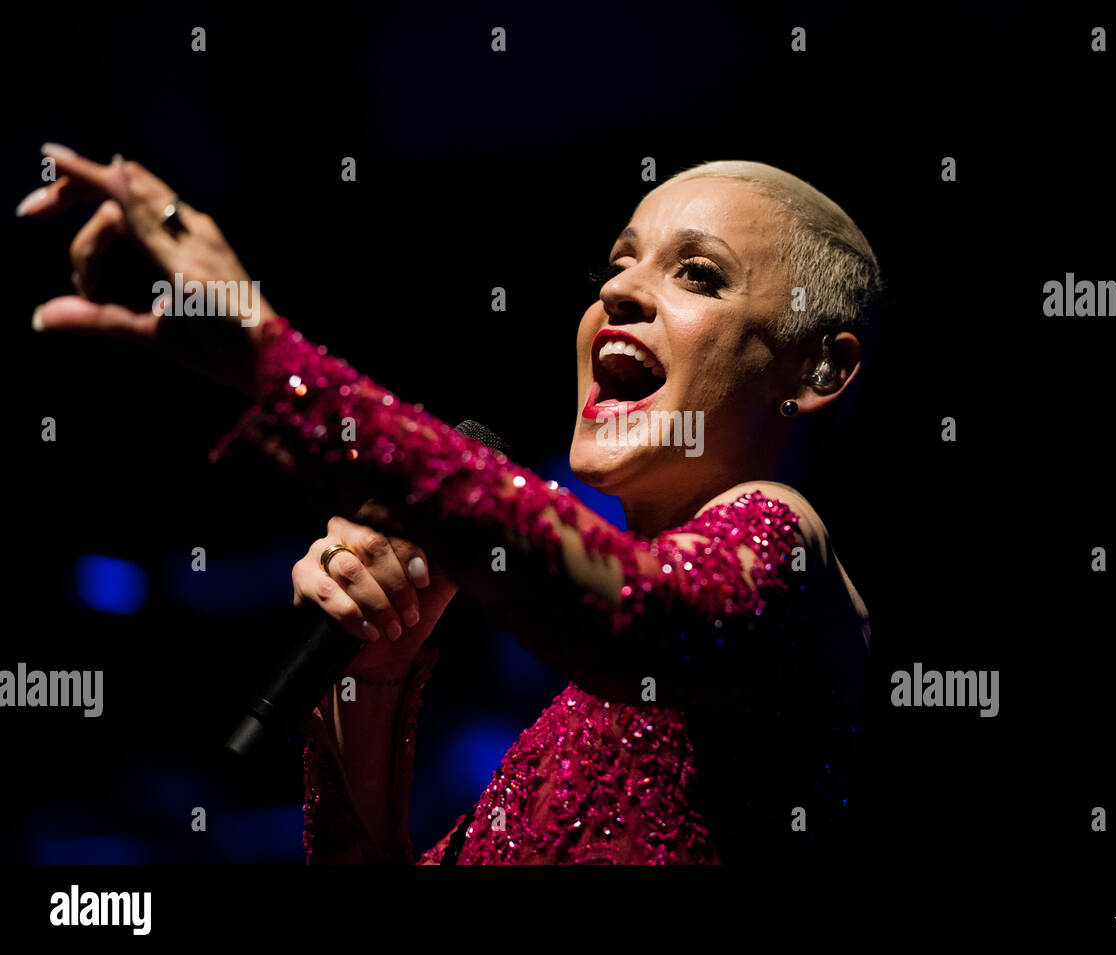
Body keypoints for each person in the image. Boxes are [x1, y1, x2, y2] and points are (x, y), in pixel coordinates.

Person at [22, 148, 877, 864]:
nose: (618, 293)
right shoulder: (582, 714)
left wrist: (272, 363)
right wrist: (376, 671)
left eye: (699, 273)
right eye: (616, 264)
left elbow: (643, 610)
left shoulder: (785, 540)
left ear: (819, 372)